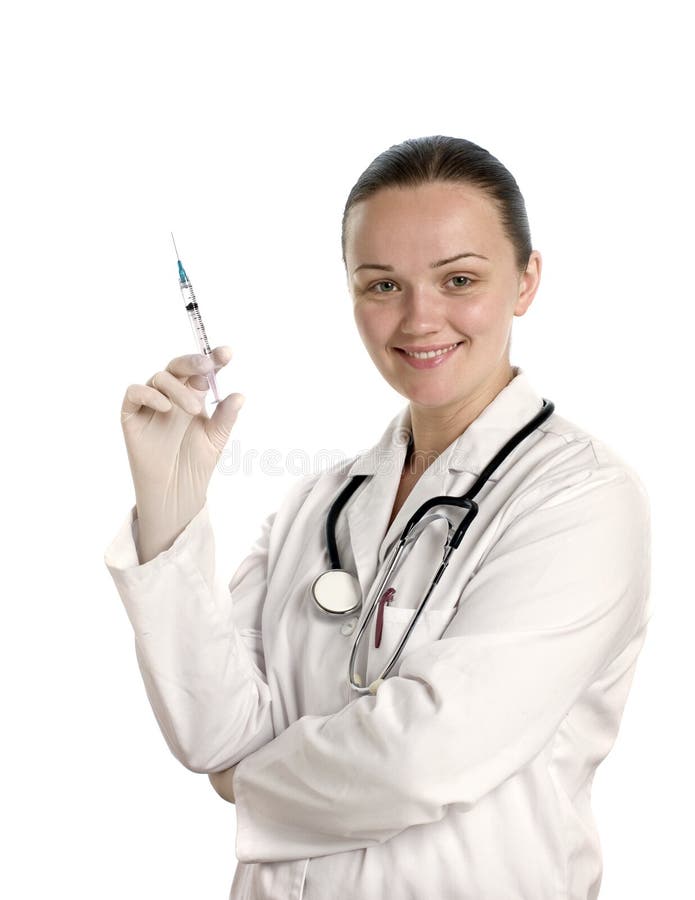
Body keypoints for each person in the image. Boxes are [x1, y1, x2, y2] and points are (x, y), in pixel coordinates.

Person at [104, 135, 652, 900]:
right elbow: (213, 732)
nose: (419, 319)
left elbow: (424, 758)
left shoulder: (581, 498)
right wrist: (171, 507)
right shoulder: (319, 504)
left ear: (526, 281)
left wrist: (247, 782)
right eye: (382, 285)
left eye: (458, 279)